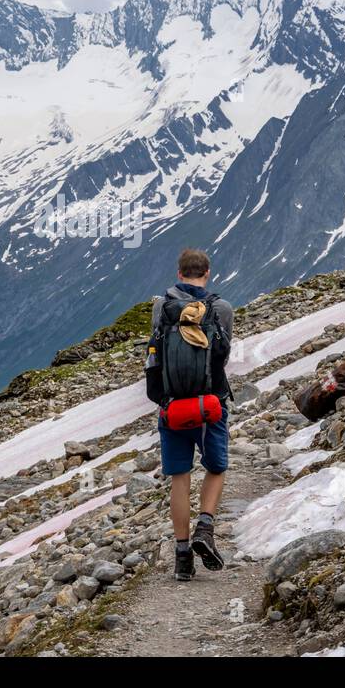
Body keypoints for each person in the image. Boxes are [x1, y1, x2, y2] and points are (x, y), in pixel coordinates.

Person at [144, 248, 234, 581]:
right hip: (210, 404)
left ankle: (182, 557)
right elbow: (221, 357)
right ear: (207, 273)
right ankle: (205, 528)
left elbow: (154, 355)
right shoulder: (221, 309)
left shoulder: (161, 307)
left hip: (173, 406)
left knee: (179, 478)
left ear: (179, 273)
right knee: (216, 468)